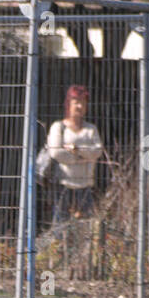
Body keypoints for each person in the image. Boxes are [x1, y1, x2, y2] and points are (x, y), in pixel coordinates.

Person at [41, 84, 104, 223]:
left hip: (86, 185)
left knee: (86, 225)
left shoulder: (91, 129)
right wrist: (82, 158)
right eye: (76, 102)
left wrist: (76, 150)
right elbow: (56, 152)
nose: (80, 106)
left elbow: (97, 151)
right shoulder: (58, 127)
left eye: (83, 103)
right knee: (61, 224)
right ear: (68, 104)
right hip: (63, 184)